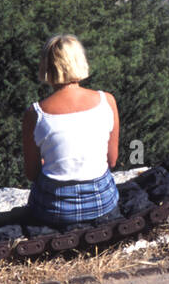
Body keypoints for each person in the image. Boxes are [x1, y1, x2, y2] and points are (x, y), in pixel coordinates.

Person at [23, 34, 122, 229]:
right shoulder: (107, 101)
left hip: (54, 210)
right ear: (80, 61)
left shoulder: (35, 114)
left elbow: (32, 173)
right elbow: (112, 161)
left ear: (47, 67)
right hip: (102, 204)